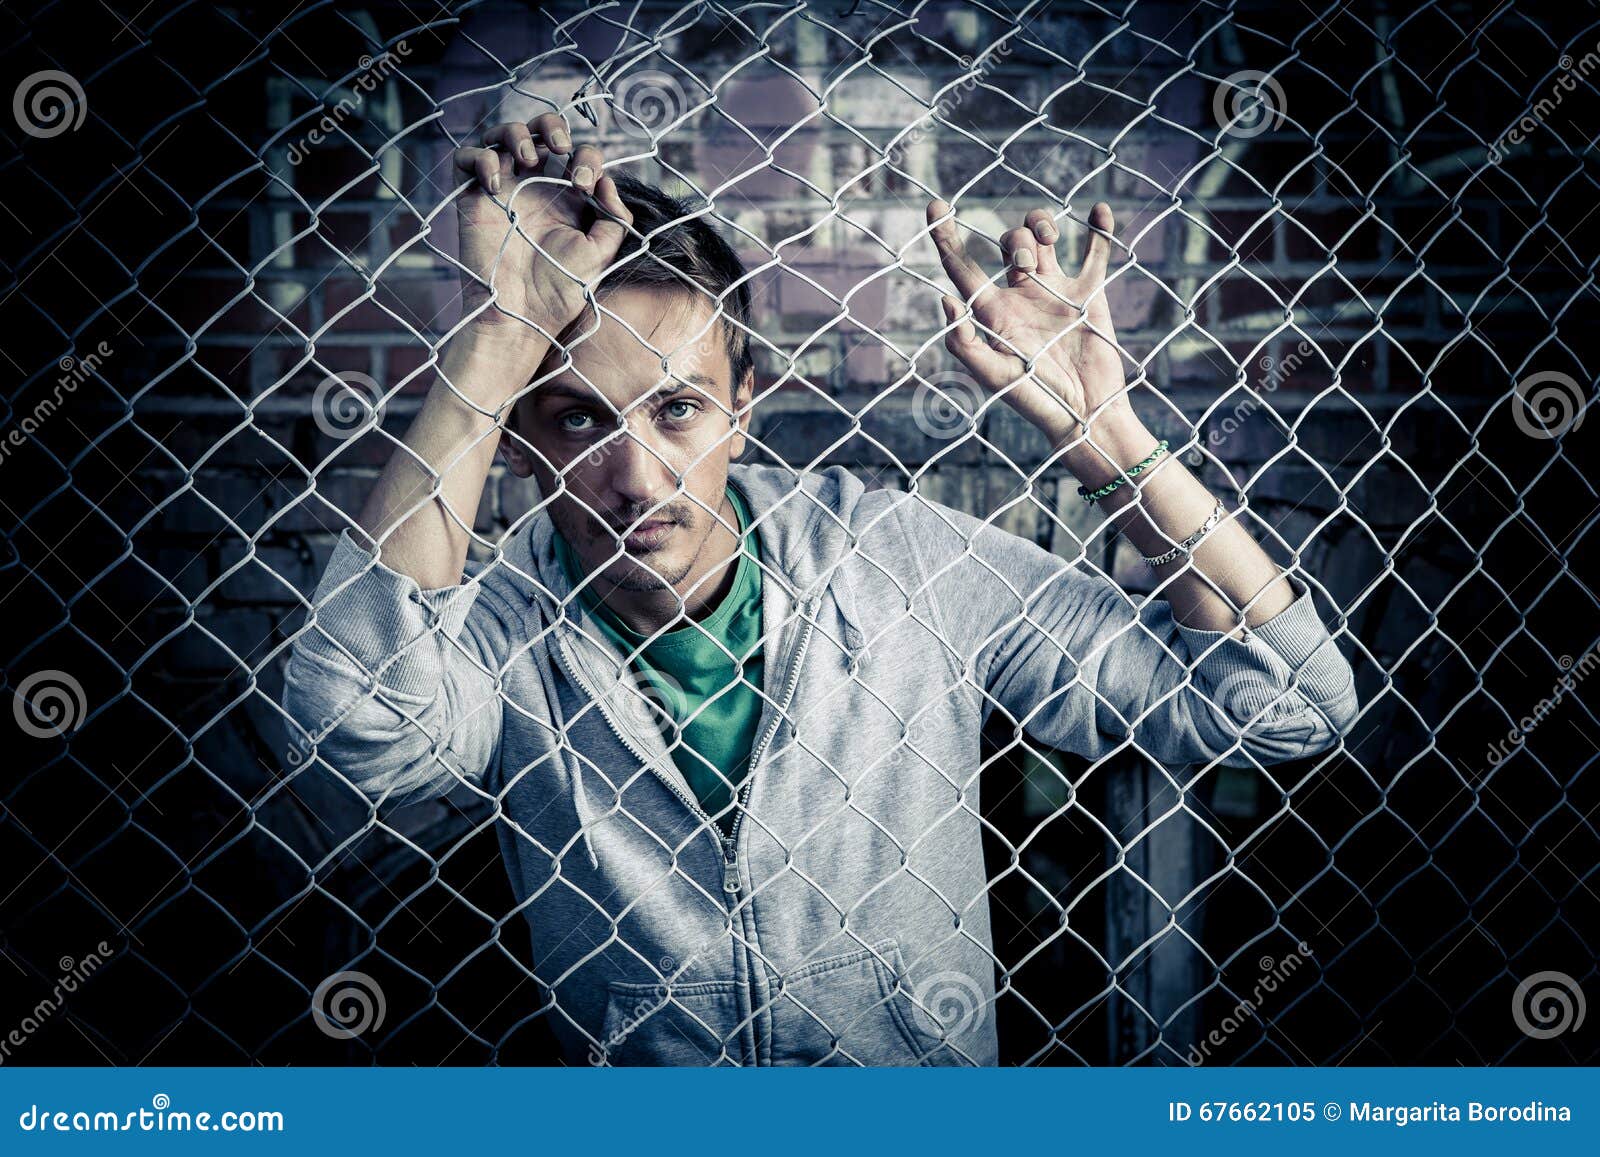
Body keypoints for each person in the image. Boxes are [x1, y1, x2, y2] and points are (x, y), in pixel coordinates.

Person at [282, 114, 1359, 1065]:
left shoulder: (890, 560)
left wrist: (1104, 433)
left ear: (743, 406)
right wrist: (495, 345)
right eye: (575, 418)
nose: (636, 478)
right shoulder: (506, 623)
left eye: (677, 410)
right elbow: (358, 734)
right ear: (516, 437)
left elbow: (1282, 702)